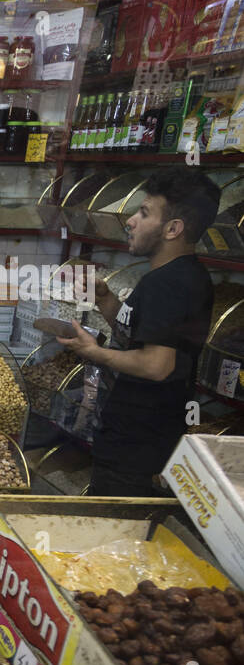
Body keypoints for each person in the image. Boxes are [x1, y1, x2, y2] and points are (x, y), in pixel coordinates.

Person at [56, 167, 221, 497]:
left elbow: (157, 365)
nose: (130, 221)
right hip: (136, 439)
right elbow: (142, 338)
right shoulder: (173, 277)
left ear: (173, 229)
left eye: (144, 213)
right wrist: (105, 301)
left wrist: (94, 353)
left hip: (139, 448)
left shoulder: (170, 284)